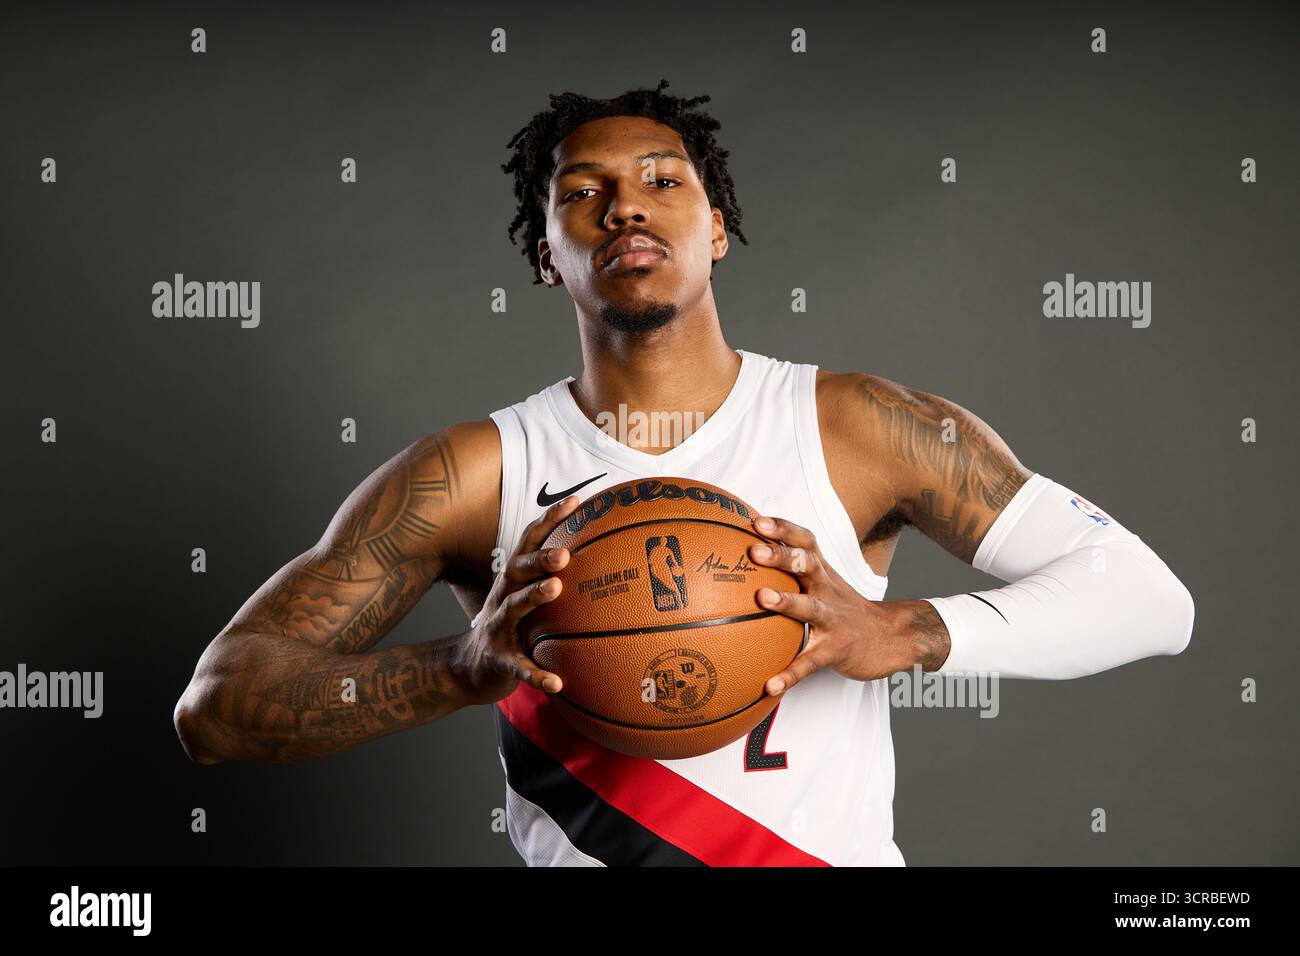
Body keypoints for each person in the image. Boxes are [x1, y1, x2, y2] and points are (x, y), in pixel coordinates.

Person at [173, 79, 1194, 866]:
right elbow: (216, 710)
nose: (625, 208)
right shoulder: (475, 472)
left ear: (716, 227)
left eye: (663, 180)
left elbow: (1150, 600)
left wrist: (907, 628)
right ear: (545, 251)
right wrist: (459, 667)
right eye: (584, 193)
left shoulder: (857, 426)